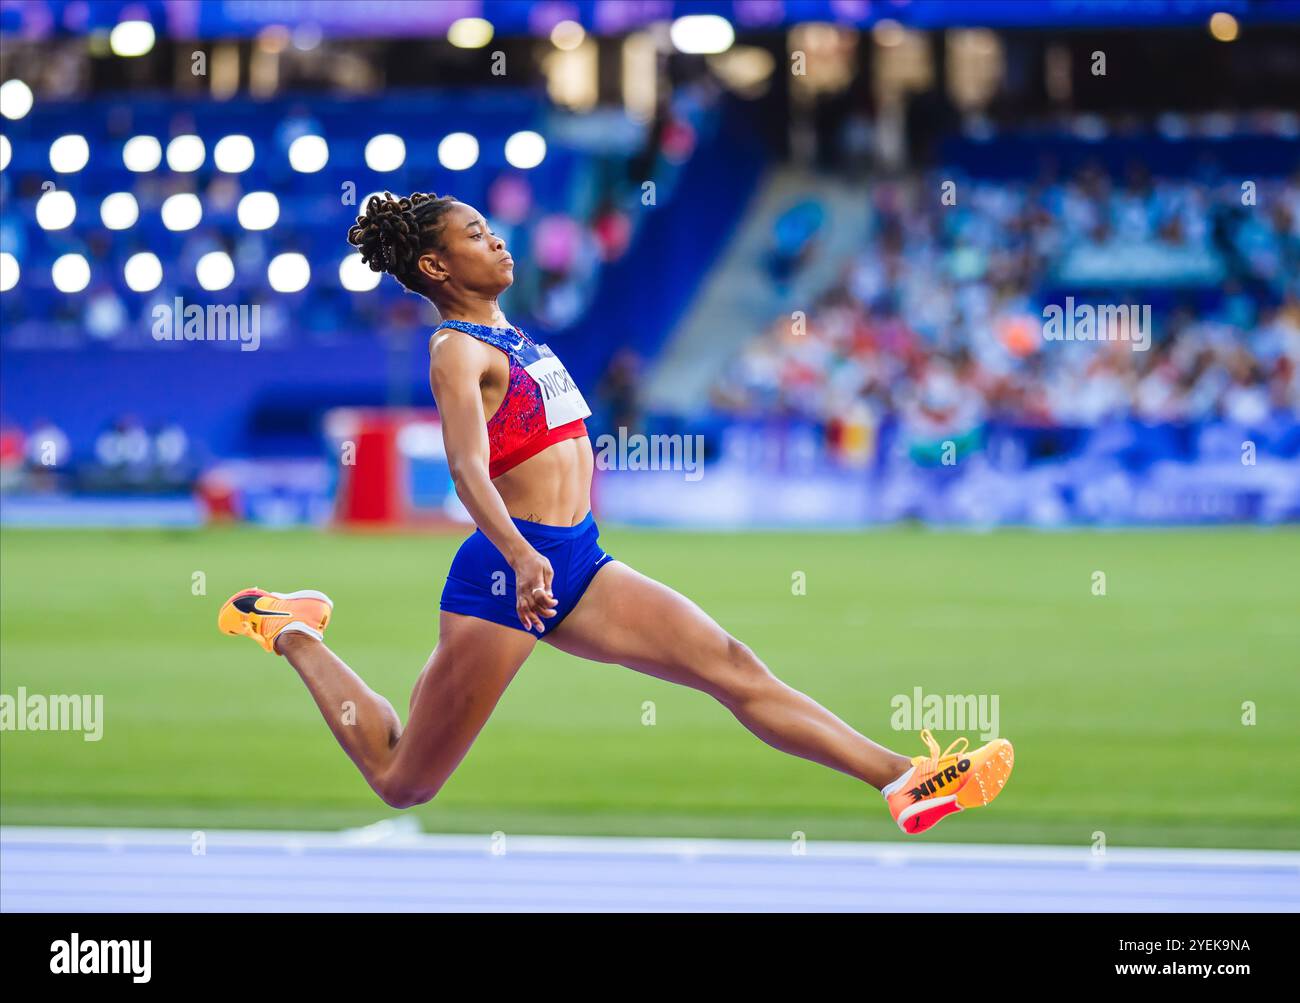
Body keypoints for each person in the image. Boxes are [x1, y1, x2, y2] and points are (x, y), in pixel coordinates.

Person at [218, 192, 1014, 834]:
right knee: (403, 778)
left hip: (578, 560)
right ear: (435, 263)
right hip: (508, 573)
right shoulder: (456, 349)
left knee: (731, 665)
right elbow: (465, 470)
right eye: (476, 234)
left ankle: (905, 781)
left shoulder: (514, 334)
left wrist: (551, 554)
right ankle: (290, 628)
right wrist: (523, 557)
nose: (498, 243)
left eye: (493, 230)